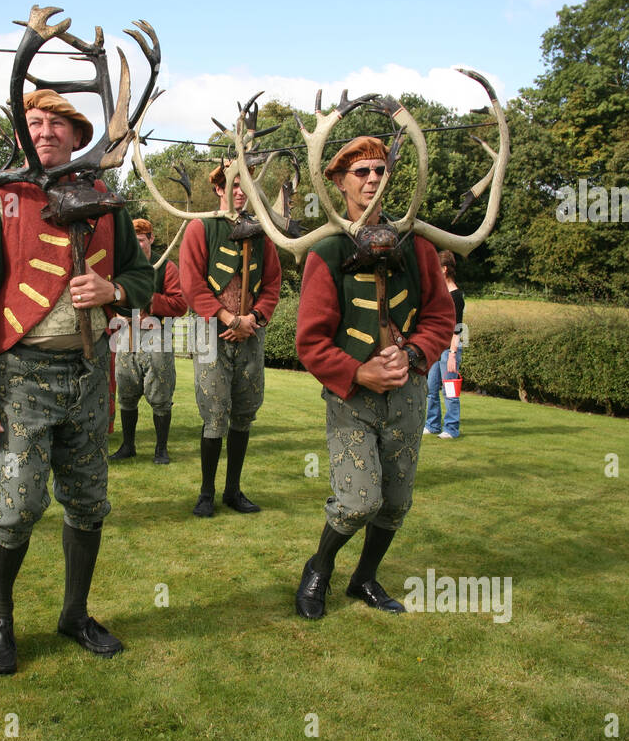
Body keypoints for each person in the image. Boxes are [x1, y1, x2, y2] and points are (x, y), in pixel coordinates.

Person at [0, 89, 153, 676]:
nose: (45, 132)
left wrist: (114, 292)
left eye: (57, 124)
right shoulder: (0, 202)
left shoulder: (106, 203)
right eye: (34, 123)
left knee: (89, 502)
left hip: (90, 376)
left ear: (77, 134)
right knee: (17, 505)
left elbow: (141, 277)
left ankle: (74, 614)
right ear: (21, 134)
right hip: (21, 375)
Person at [292, 136, 454, 619]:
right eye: (360, 171)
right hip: (352, 399)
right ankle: (318, 568)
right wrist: (359, 370)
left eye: (380, 170)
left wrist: (416, 355)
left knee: (397, 499)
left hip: (407, 394)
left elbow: (439, 317)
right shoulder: (327, 250)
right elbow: (311, 341)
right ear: (340, 182)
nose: (372, 179)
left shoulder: (417, 246)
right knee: (358, 499)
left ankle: (363, 578)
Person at [178, 162, 282, 516]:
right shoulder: (200, 228)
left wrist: (251, 319)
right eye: (234, 184)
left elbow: (271, 284)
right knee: (214, 414)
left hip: (251, 333)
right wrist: (228, 317)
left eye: (246, 185)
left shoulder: (261, 232)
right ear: (219, 189)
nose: (241, 191)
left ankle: (233, 490)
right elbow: (191, 285)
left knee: (243, 414)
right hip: (210, 332)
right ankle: (206, 492)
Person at [109, 217, 187, 464]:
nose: (137, 245)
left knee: (160, 395)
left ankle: (161, 449)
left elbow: (180, 304)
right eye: (132, 240)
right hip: (125, 337)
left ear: (151, 239)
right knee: (126, 392)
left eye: (141, 240)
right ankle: (128, 445)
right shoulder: (120, 265)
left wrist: (151, 302)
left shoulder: (165, 267)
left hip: (156, 337)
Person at [425, 250, 464, 439]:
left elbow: (458, 328)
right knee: (431, 389)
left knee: (450, 391)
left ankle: (451, 428)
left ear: (445, 269)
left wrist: (453, 354)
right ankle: (432, 424)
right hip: (437, 348)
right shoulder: (440, 293)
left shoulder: (456, 296)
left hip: (449, 350)